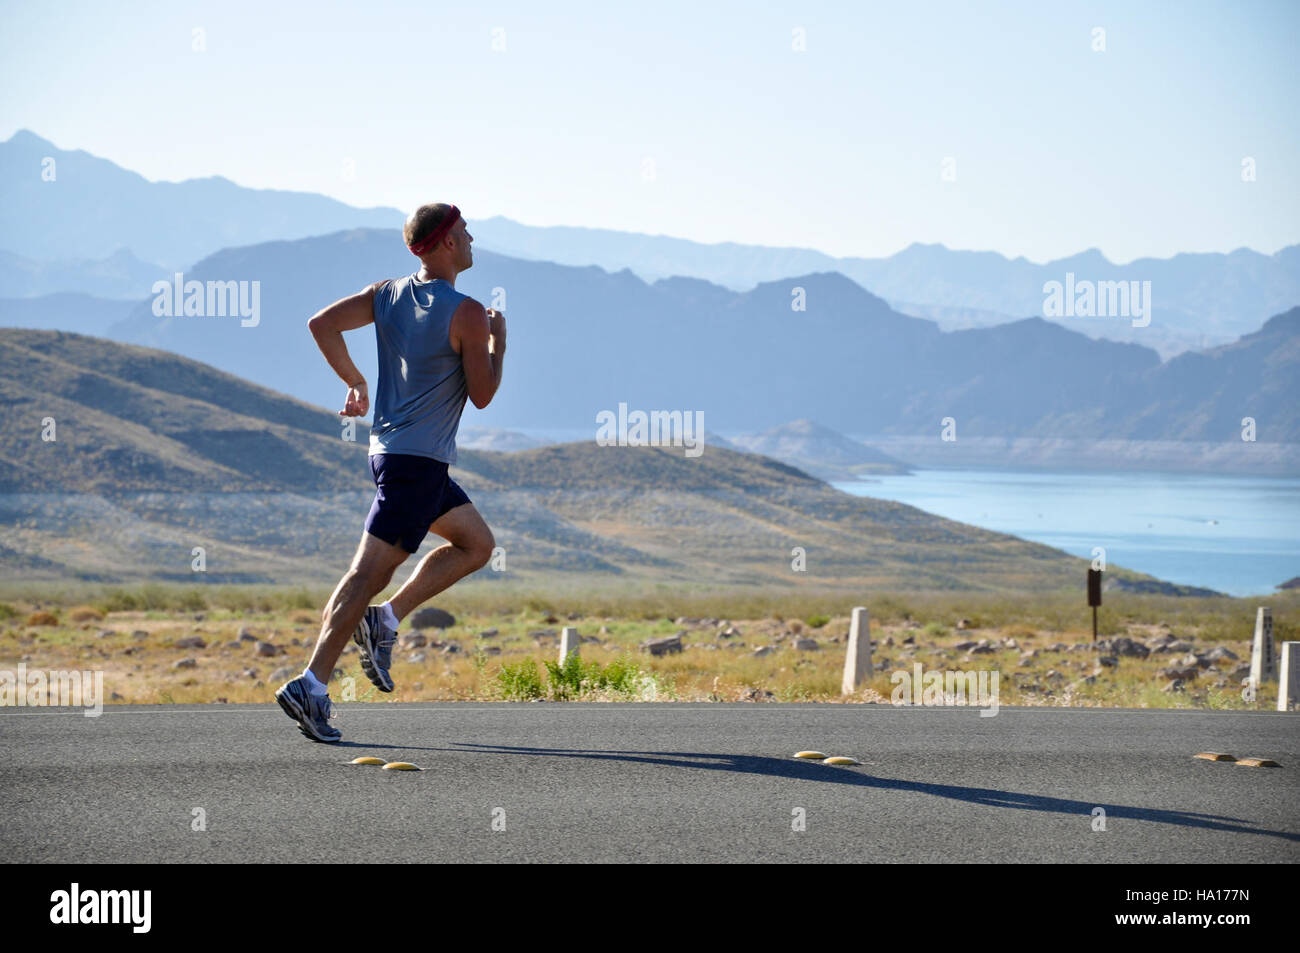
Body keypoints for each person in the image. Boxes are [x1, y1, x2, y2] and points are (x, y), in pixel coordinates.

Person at [275, 203, 506, 742]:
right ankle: (311, 683)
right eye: (466, 233)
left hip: (396, 456)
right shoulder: (468, 313)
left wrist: (354, 381)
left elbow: (321, 323)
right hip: (416, 464)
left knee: (476, 544)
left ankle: (386, 619)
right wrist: (499, 342)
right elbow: (483, 395)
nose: (473, 241)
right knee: (365, 574)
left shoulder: (386, 294)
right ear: (447, 242)